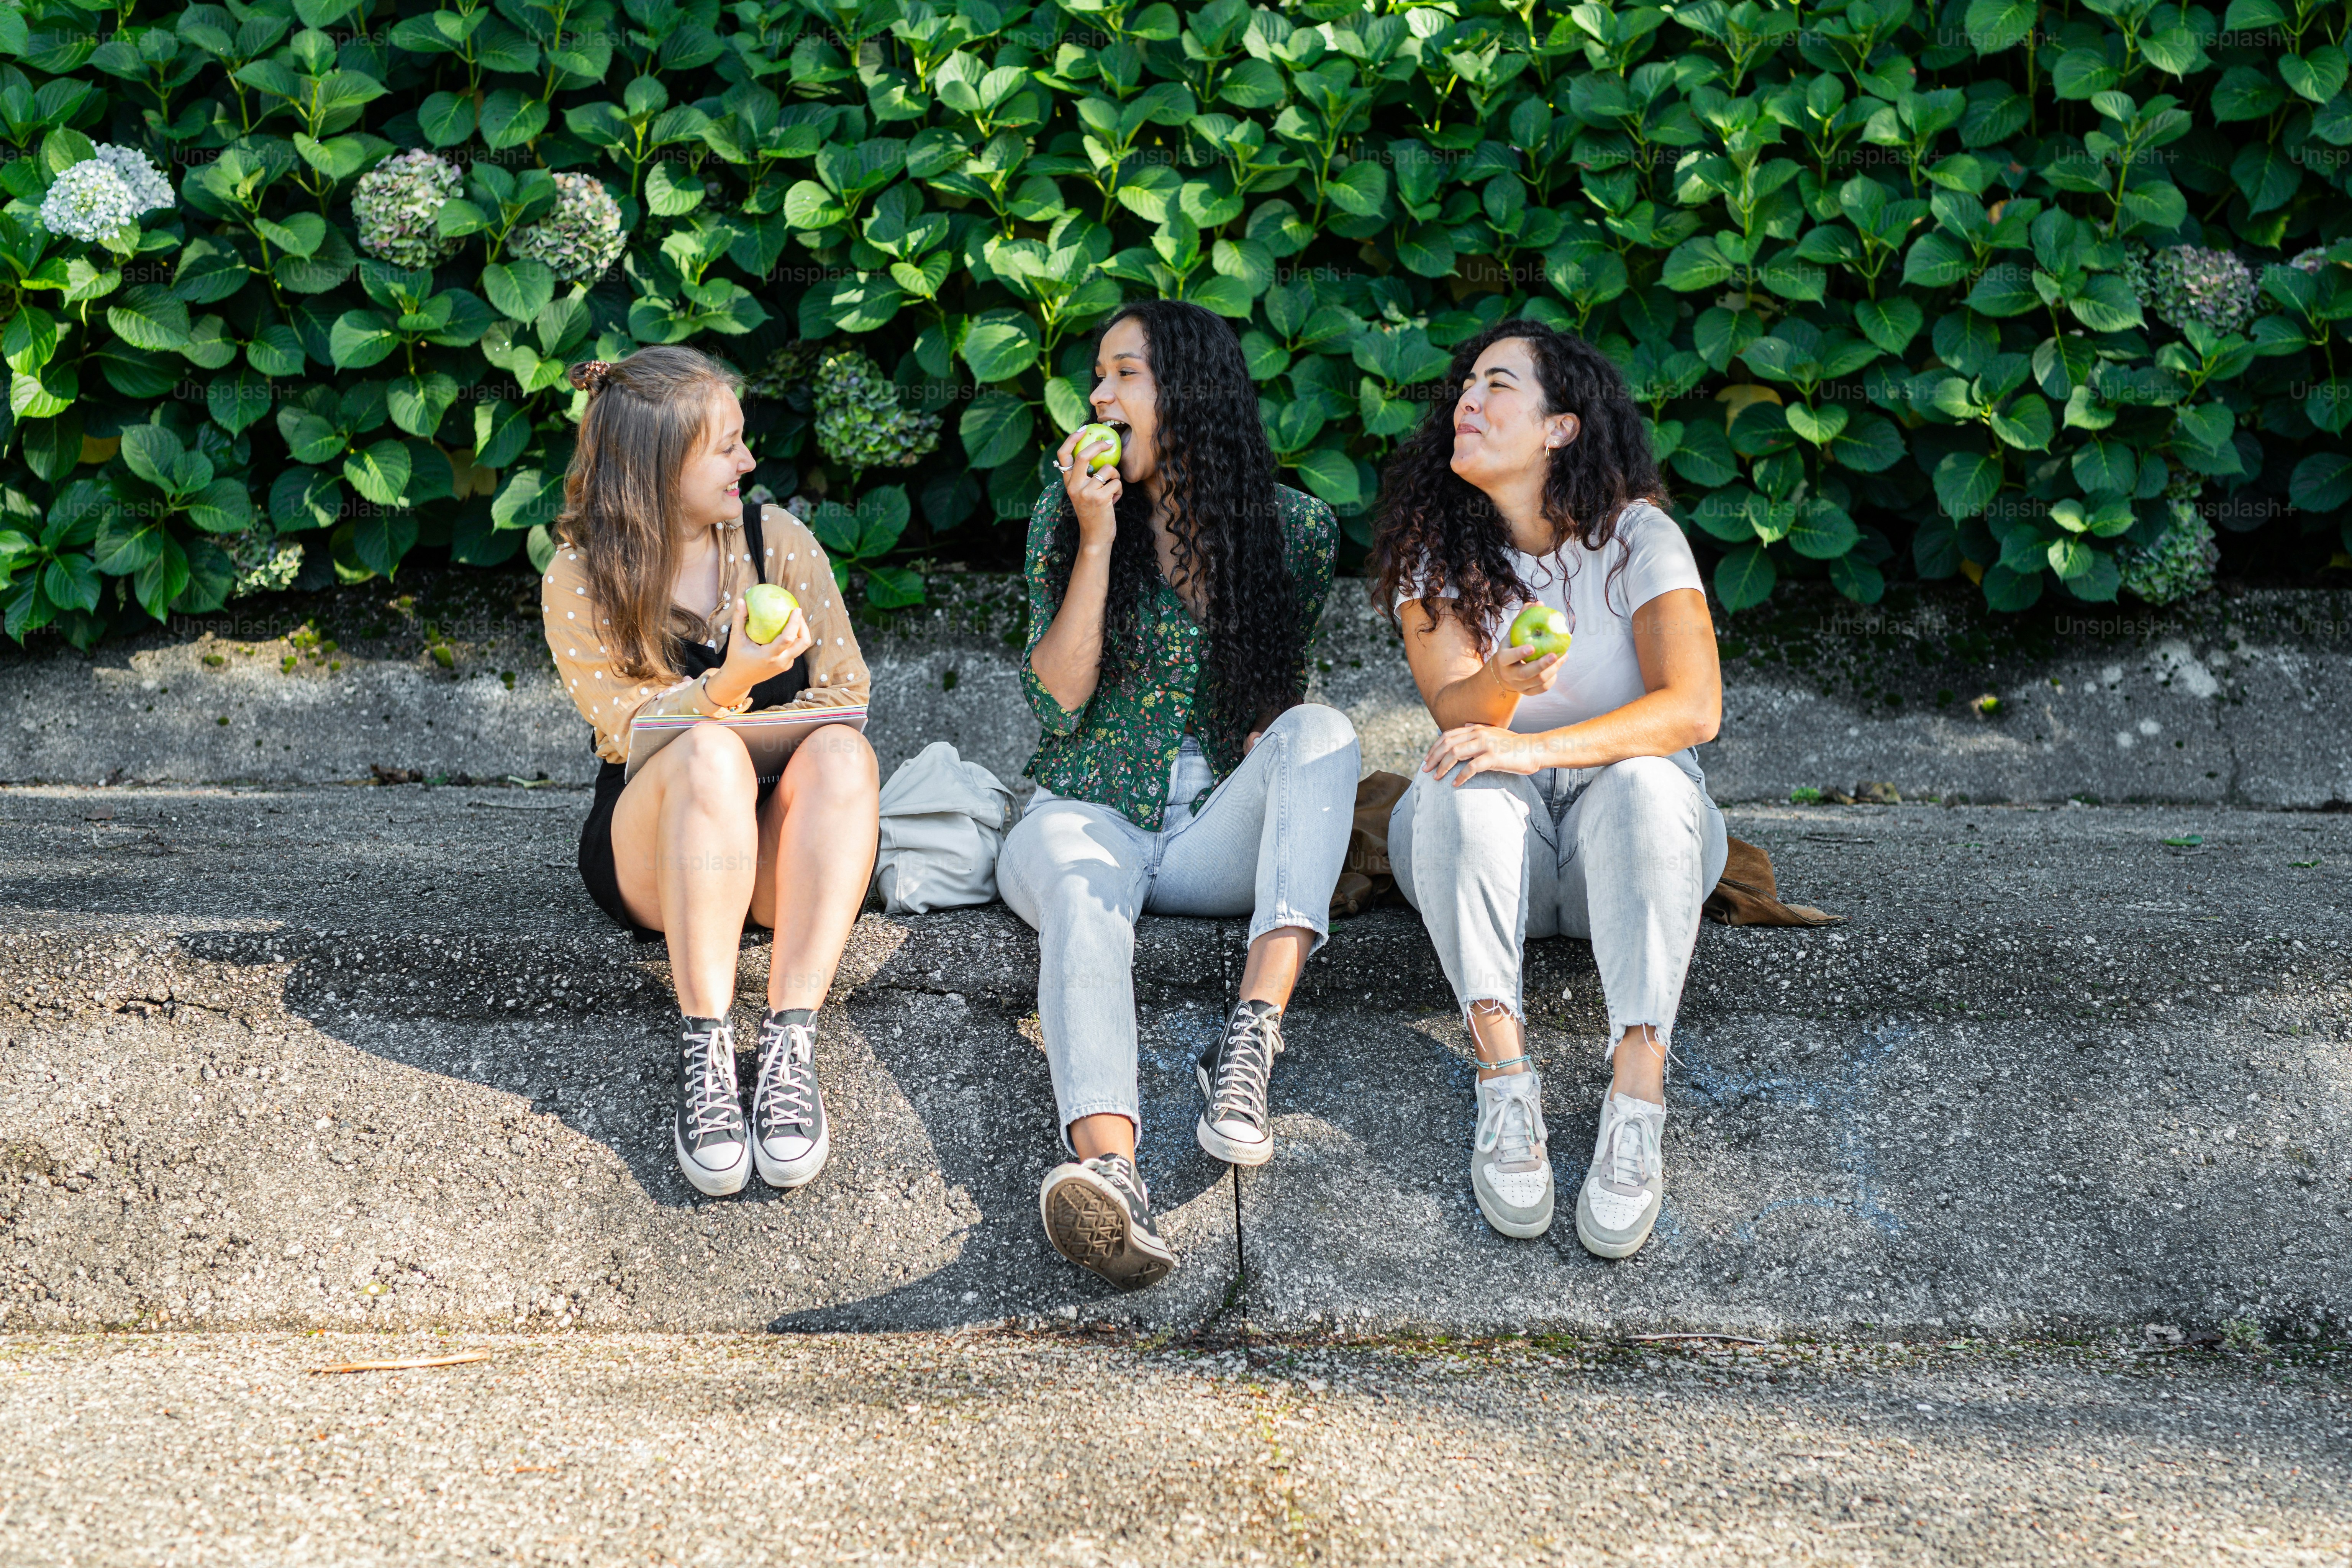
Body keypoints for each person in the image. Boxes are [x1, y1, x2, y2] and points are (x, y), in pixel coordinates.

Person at [996, 298, 1360, 1291]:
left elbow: (1273, 711)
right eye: (1097, 378)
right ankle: (1108, 1170)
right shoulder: (1063, 515)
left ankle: (1247, 1040)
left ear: (1189, 393)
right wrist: (1098, 536)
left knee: (1324, 730)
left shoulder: (1295, 532)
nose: (1100, 397)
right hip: (1083, 810)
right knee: (1078, 880)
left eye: (1125, 374)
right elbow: (1058, 697)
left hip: (1208, 837)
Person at [1372, 319, 1726, 1260]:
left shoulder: (1639, 536)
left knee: (1649, 782)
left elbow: (1693, 709)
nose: (1467, 402)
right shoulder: (1434, 547)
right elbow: (1457, 710)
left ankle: (1638, 1095)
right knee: (1449, 779)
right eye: (1464, 386)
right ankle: (1505, 1085)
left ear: (1561, 428)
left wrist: (1540, 747)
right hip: (1507, 860)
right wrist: (1507, 683)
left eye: (1497, 386)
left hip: (1635, 838)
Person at [542, 346, 880, 1198]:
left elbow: (849, 689)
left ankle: (790, 1043)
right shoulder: (579, 575)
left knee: (843, 751)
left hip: (771, 857)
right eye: (726, 447)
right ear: (658, 466)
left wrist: (778, 720)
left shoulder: (778, 544)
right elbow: (623, 730)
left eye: (743, 440)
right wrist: (728, 687)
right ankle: (705, 1049)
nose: (749, 462)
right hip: (657, 856)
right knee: (703, 750)